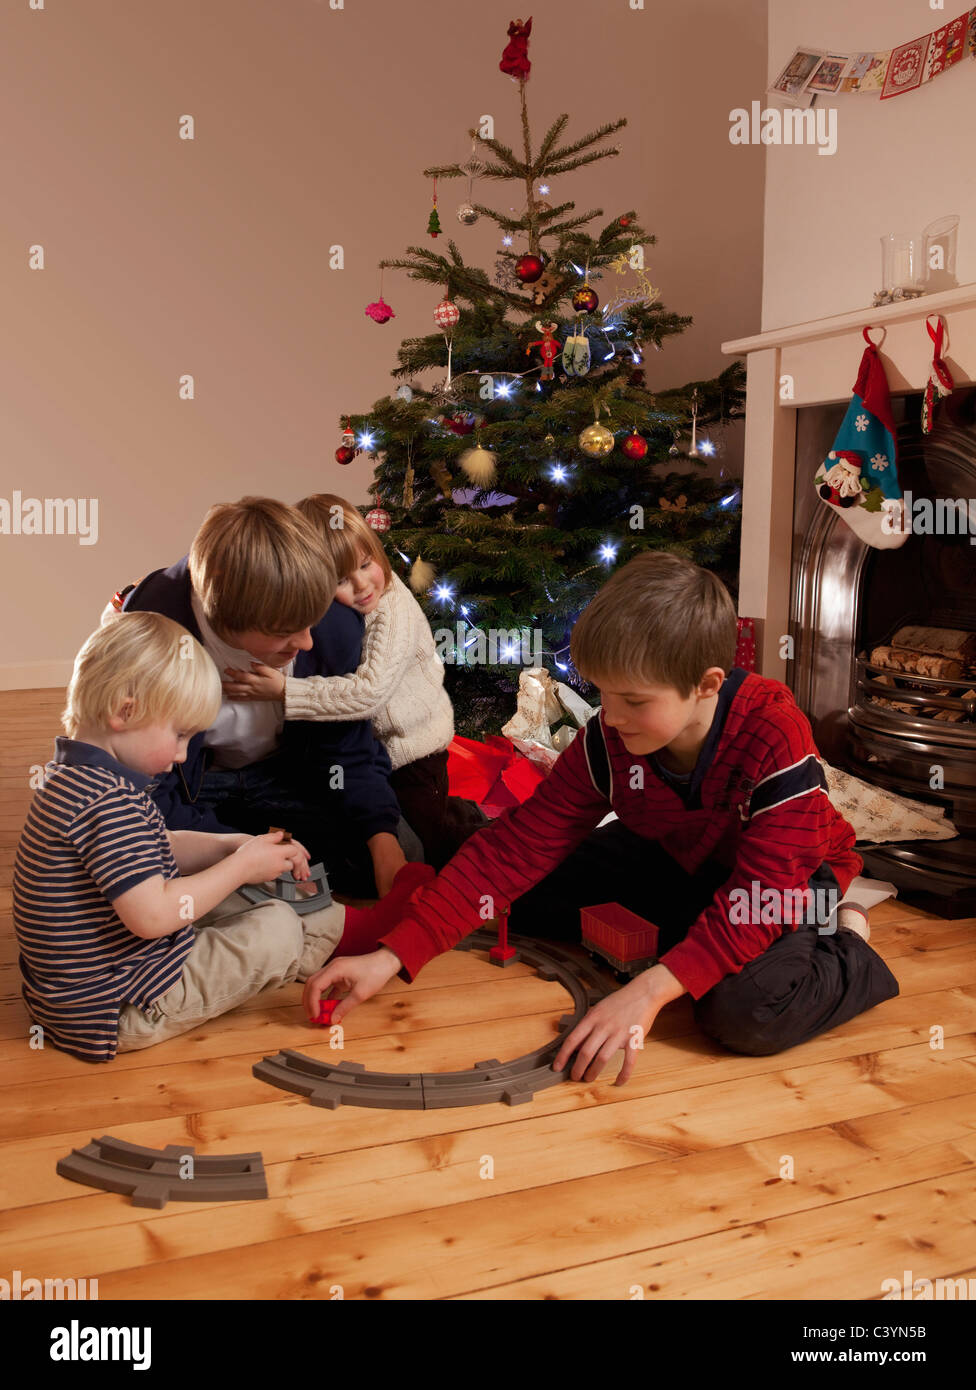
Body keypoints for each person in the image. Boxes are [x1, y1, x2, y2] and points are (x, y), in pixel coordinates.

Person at [301, 551, 899, 1081]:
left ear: (706, 684)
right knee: (514, 888)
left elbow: (765, 893)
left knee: (744, 1014)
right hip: (679, 862)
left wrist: (648, 991)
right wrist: (393, 955)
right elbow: (516, 850)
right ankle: (690, 942)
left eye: (634, 701)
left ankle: (849, 940)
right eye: (603, 694)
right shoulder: (607, 738)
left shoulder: (771, 731)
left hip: (786, 884)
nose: (609, 717)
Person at [12, 613, 434, 1062]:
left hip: (110, 971)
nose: (180, 756)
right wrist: (238, 867)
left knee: (248, 876)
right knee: (275, 930)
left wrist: (231, 847)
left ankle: (345, 932)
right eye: (179, 735)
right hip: (118, 1006)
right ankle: (320, 940)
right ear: (125, 712)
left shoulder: (80, 776)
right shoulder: (105, 802)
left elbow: (155, 846)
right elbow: (152, 916)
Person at [108, 496, 423, 897]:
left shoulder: (333, 625)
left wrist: (381, 838)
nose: (307, 642)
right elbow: (147, 791)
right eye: (285, 632)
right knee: (141, 862)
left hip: (288, 775)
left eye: (311, 623)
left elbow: (348, 751)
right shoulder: (153, 629)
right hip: (199, 785)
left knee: (395, 851)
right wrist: (241, 858)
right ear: (223, 617)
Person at [220, 493, 487, 869]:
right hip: (380, 753)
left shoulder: (393, 609)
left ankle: (479, 831)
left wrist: (284, 691)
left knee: (435, 846)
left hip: (415, 754)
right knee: (381, 829)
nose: (362, 585)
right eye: (341, 578)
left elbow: (368, 695)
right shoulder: (337, 618)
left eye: (366, 564)